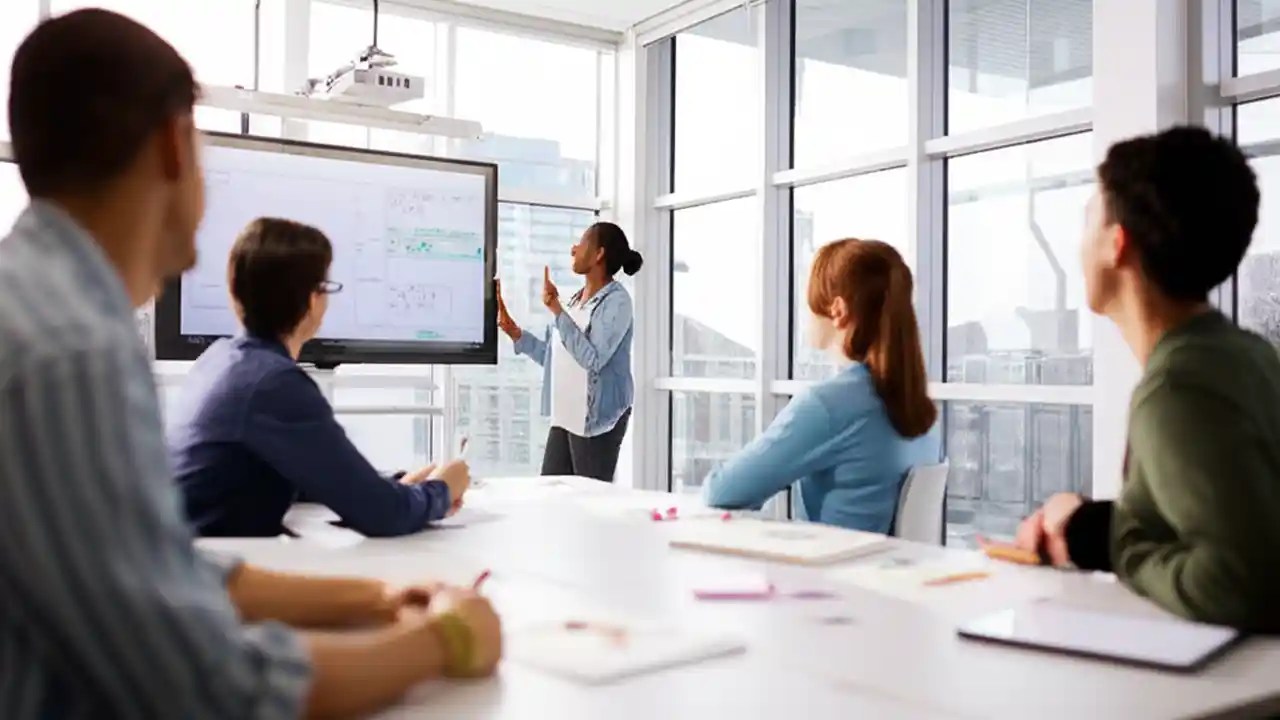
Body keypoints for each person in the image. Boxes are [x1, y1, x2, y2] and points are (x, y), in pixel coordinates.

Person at [0, 10, 500, 718]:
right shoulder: (71, 351)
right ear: (176, 146)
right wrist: (442, 639)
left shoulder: (40, 307)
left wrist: (374, 596)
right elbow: (203, 685)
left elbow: (147, 564)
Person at [1010, 126, 1280, 632]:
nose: (1078, 244)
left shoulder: (1178, 391)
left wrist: (1118, 546)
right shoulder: (1249, 357)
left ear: (1117, 244)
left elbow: (1239, 582)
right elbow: (1243, 515)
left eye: (1088, 218)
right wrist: (1085, 528)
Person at [168, 217, 469, 537]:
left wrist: (389, 486)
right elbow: (385, 515)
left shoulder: (220, 360)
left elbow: (309, 469)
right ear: (313, 299)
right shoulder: (274, 384)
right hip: (209, 575)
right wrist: (444, 488)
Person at [701, 239, 940, 532]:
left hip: (832, 573)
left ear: (838, 310)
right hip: (891, 573)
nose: (806, 316)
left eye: (810, 303)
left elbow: (721, 492)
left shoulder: (829, 405)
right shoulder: (922, 412)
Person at [496, 221, 643, 482]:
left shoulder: (618, 302)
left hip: (596, 419)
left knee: (587, 502)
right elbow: (559, 359)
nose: (573, 249)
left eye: (582, 243)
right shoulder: (577, 299)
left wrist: (556, 310)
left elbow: (593, 359)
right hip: (567, 411)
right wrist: (515, 332)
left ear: (599, 254)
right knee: (550, 493)